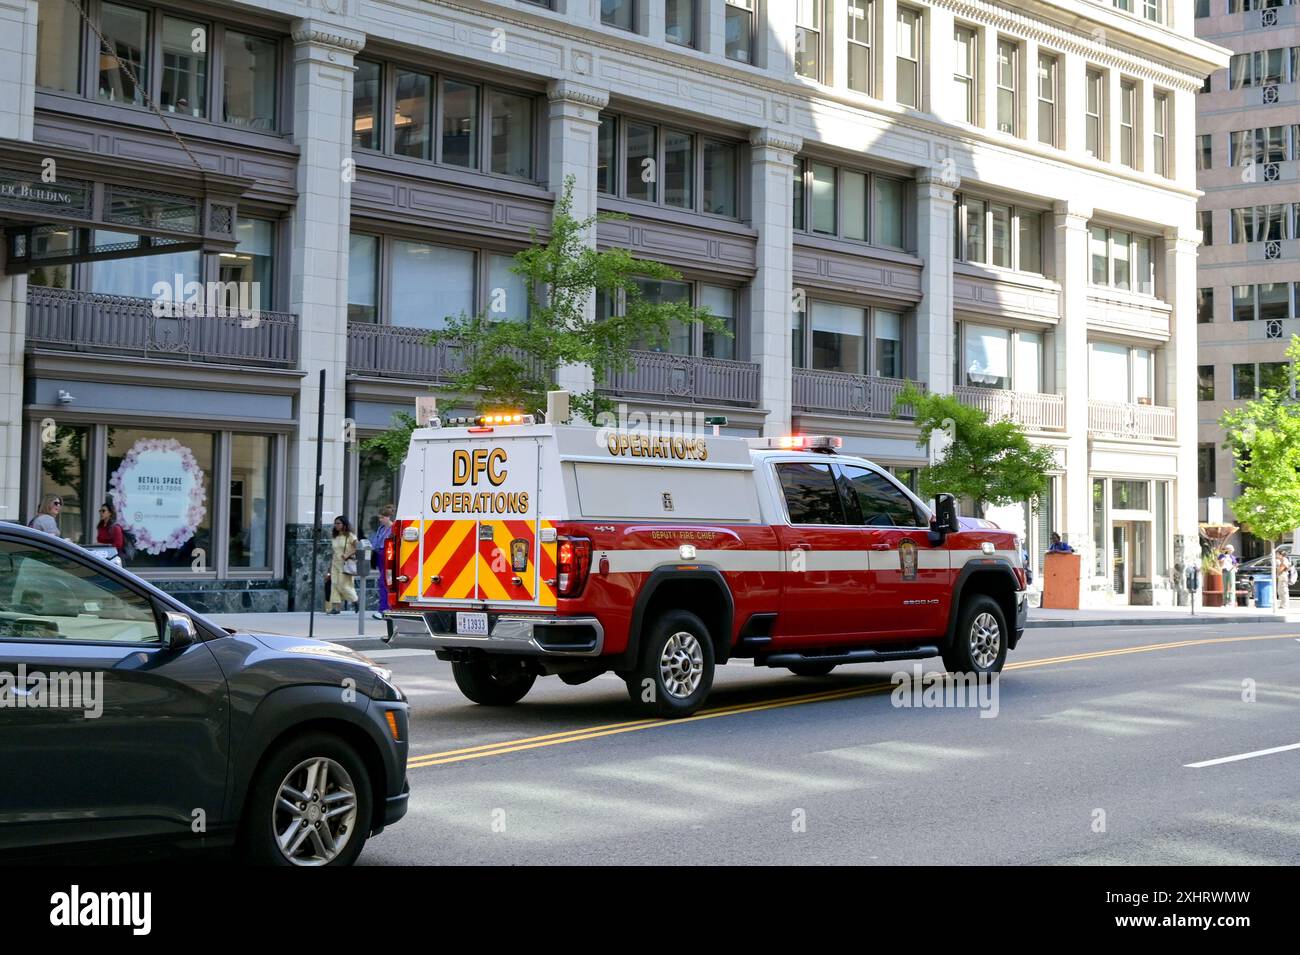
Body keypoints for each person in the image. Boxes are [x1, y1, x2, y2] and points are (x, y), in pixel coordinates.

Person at [326, 515, 359, 614]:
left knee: (343, 585)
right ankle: (336, 608)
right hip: (335, 563)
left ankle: (355, 600)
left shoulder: (350, 536)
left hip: (345, 564)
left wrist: (347, 554)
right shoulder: (335, 536)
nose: (336, 525)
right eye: (335, 523)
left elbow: (359, 547)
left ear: (344, 524)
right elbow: (334, 552)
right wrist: (329, 569)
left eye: (338, 523)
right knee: (334, 584)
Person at [369, 505, 395, 620]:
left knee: (384, 581)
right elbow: (375, 541)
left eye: (382, 517)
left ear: (388, 517)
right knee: (383, 581)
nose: (380, 520)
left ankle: (384, 608)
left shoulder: (393, 528)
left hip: (387, 554)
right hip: (380, 554)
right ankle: (385, 608)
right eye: (379, 518)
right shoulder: (381, 529)